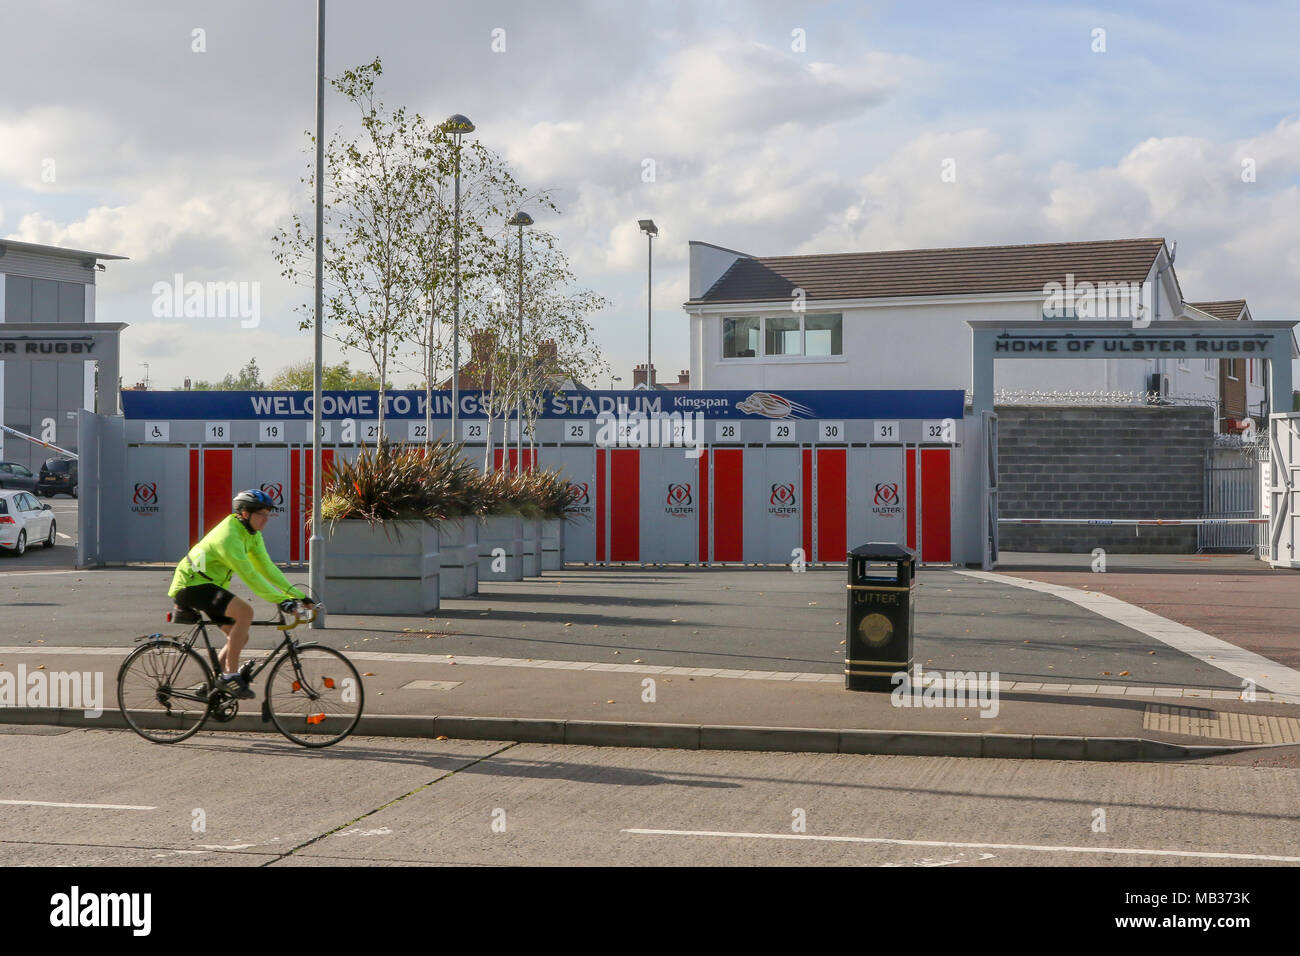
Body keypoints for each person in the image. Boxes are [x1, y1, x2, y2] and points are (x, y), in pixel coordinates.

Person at [167, 489, 312, 699]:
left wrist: (297, 596)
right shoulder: (229, 535)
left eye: (268, 514)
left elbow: (267, 568)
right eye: (262, 514)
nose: (266, 519)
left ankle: (213, 685)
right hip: (191, 585)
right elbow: (250, 575)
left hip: (208, 586)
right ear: (245, 513)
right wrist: (281, 601)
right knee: (245, 613)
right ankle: (230, 677)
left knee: (239, 636)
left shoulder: (252, 534)